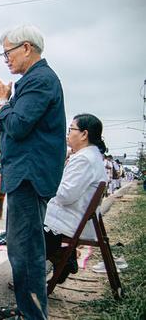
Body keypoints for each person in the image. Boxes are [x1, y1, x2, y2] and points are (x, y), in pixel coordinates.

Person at [0, 24, 66, 320]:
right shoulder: (34, 80)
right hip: (27, 173)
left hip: (29, 175)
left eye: (7, 52)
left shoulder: (39, 80)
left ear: (26, 48)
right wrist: (3, 116)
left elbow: (18, 126)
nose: (5, 59)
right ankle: (27, 310)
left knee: (26, 252)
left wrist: (1, 101)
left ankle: (31, 316)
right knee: (22, 248)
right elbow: (16, 122)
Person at [44, 113, 108, 284]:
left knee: (23, 228)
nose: (68, 133)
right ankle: (63, 258)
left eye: (71, 129)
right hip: (76, 218)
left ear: (84, 134)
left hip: (69, 220)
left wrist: (51, 178)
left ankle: (32, 280)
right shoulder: (90, 156)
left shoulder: (84, 160)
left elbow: (65, 196)